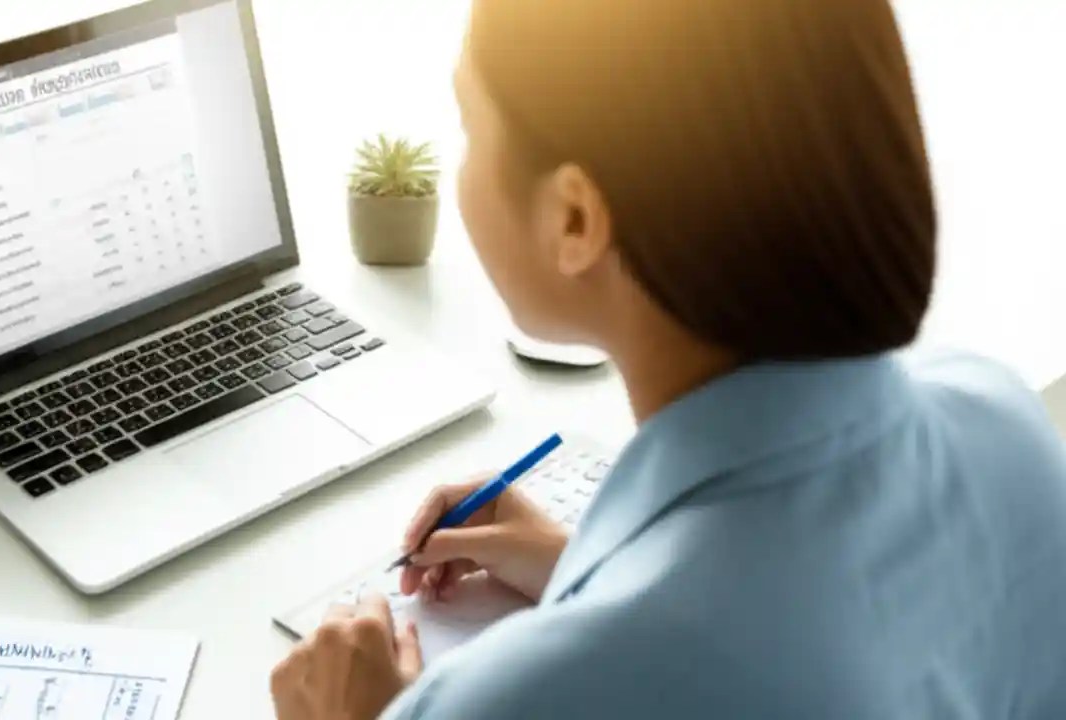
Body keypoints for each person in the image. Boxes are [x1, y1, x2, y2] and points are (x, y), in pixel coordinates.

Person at [270, 0, 1066, 717]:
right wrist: (587, 567)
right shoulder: (1004, 423)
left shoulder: (529, 695)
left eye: (473, 128)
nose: (464, 163)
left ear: (575, 217)